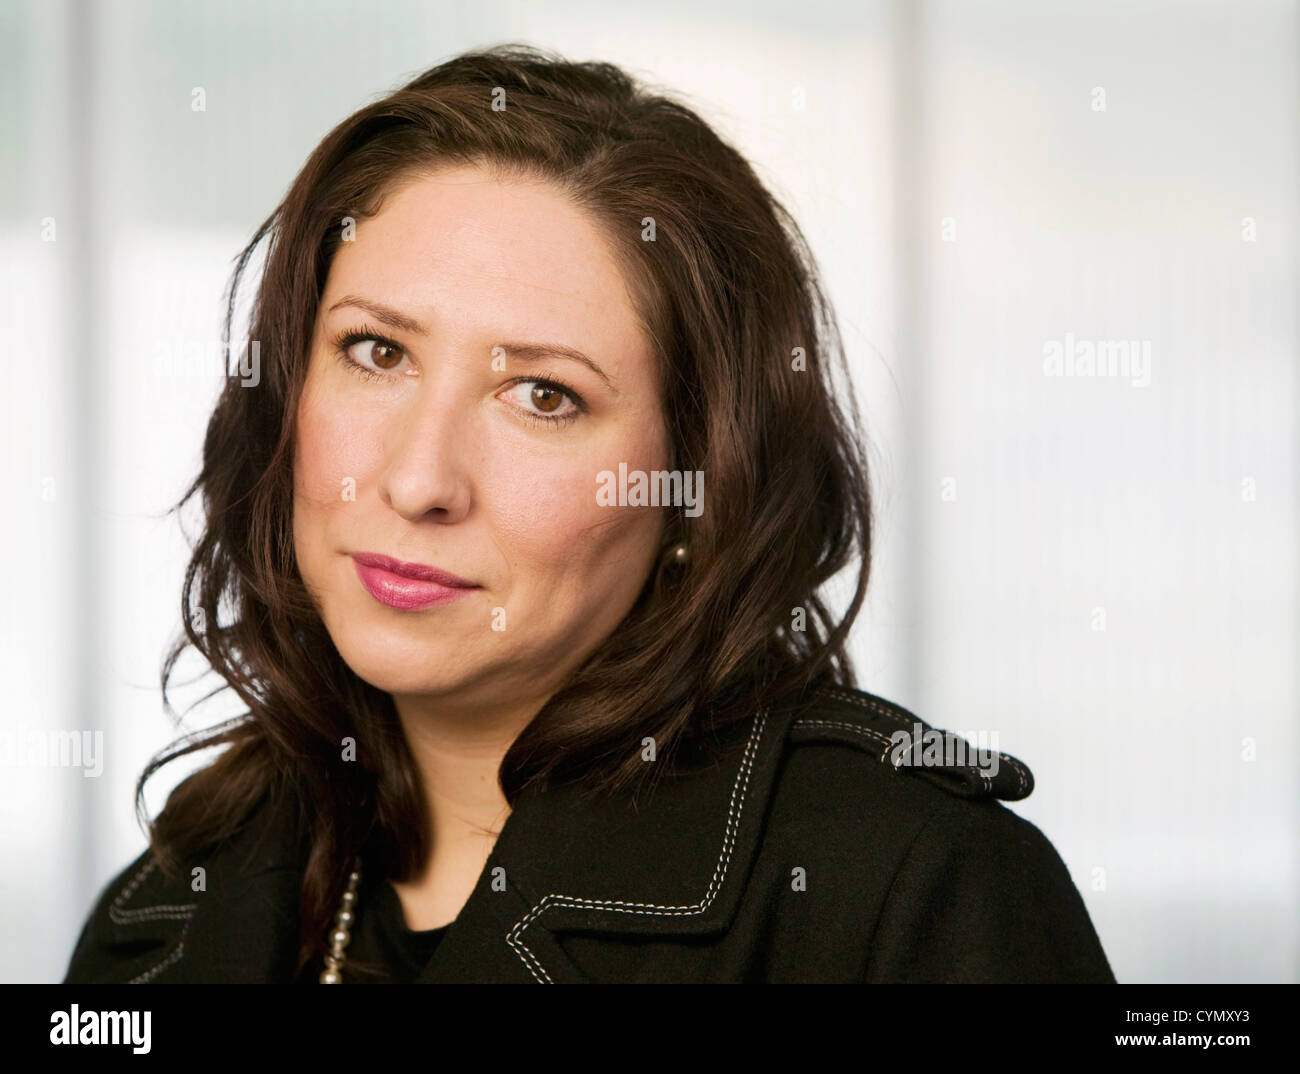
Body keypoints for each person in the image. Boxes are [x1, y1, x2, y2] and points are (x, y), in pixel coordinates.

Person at [63, 44, 1114, 984]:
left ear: (701, 483)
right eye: (376, 352)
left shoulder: (907, 889)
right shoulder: (154, 926)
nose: (419, 480)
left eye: (543, 396)